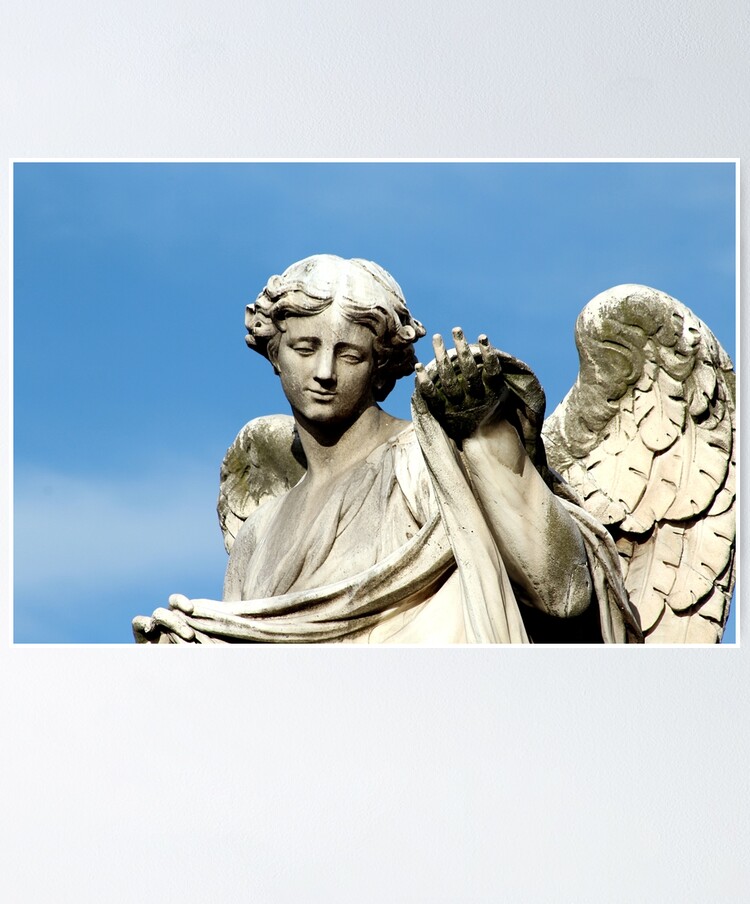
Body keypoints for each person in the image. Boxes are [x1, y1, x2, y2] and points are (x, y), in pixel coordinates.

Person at [133, 255, 640, 644]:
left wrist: (482, 433)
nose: (325, 372)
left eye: (350, 355)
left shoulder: (424, 458)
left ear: (381, 369)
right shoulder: (257, 534)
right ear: (274, 352)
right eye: (305, 348)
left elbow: (561, 590)